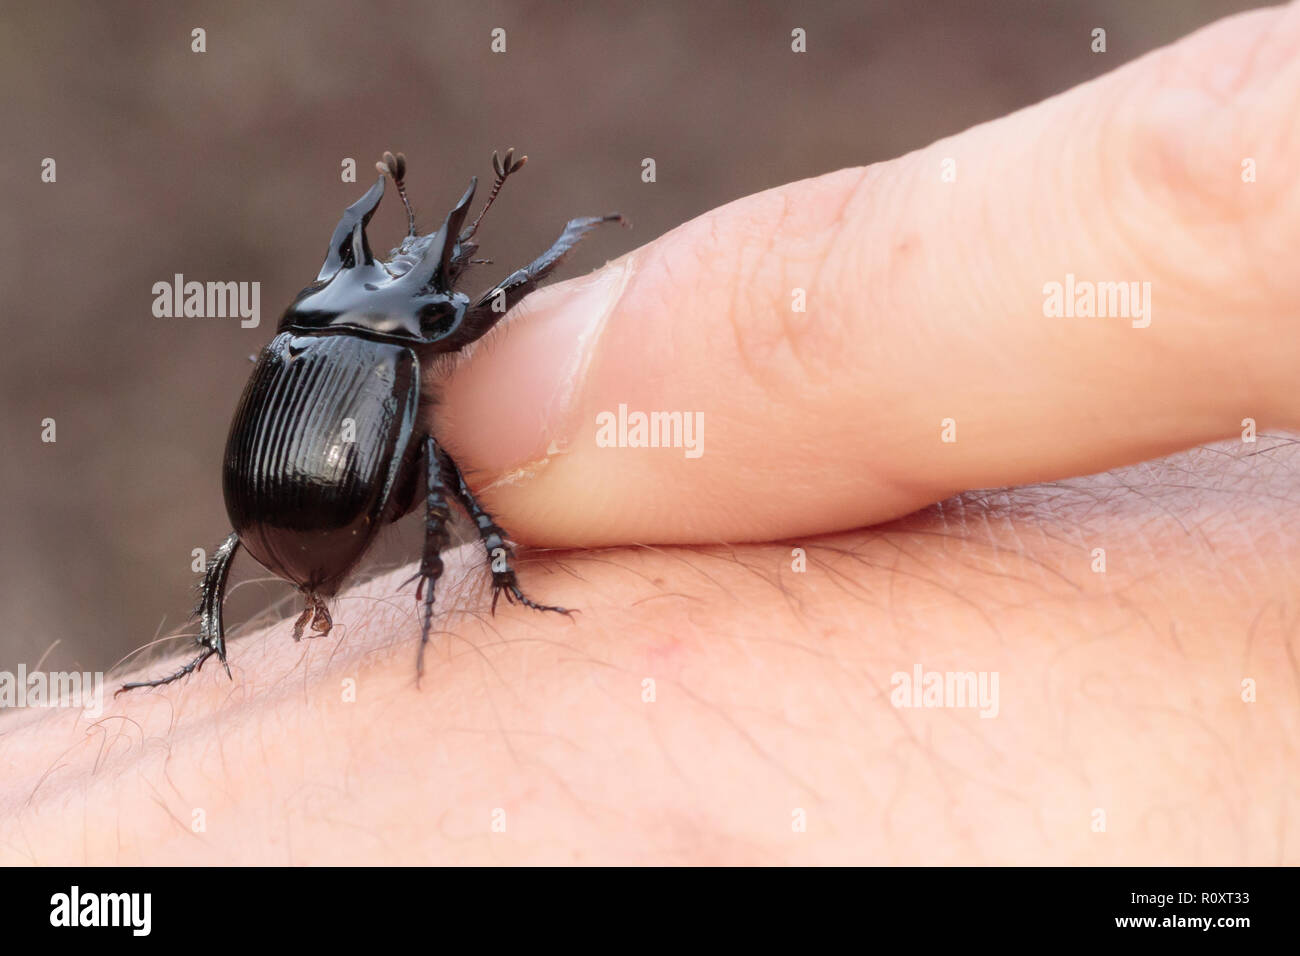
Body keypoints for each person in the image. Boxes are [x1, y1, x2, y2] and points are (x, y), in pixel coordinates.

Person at [3, 3, 1296, 864]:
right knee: (447, 485)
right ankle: (463, 588)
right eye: (413, 256)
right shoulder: (379, 346)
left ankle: (410, 594)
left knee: (430, 482)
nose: (427, 255)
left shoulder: (327, 335)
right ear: (391, 298)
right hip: (324, 498)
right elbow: (486, 315)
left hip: (292, 510)